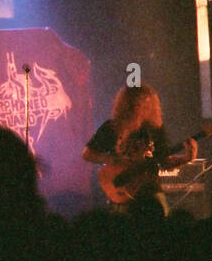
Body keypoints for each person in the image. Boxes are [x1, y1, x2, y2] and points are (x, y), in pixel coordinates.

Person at [82, 84, 196, 214]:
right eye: (138, 102)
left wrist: (187, 158)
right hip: (122, 191)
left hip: (151, 191)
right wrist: (112, 159)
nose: (142, 106)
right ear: (127, 104)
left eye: (147, 102)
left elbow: (164, 162)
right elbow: (87, 154)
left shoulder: (155, 130)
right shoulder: (112, 127)